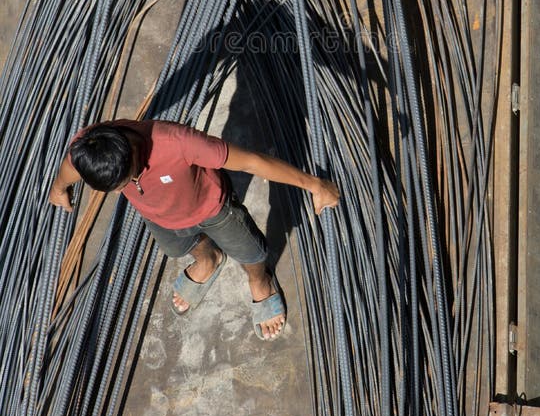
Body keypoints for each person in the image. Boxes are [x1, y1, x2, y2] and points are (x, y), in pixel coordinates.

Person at [49, 119, 340, 340]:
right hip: (160, 216)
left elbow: (251, 162)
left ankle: (260, 282)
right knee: (178, 247)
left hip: (212, 209)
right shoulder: (91, 147)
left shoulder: (178, 143)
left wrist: (314, 185)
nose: (120, 191)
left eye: (124, 182)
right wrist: (59, 188)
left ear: (132, 151)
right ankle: (208, 260)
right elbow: (71, 166)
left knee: (249, 250)